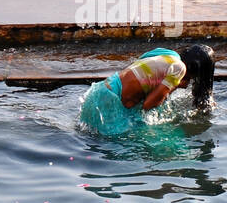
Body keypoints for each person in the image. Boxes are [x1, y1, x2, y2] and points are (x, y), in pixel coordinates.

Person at [79, 45, 215, 136]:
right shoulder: (179, 69)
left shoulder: (167, 53)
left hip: (99, 92)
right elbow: (148, 105)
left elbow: (139, 71)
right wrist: (174, 86)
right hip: (110, 105)